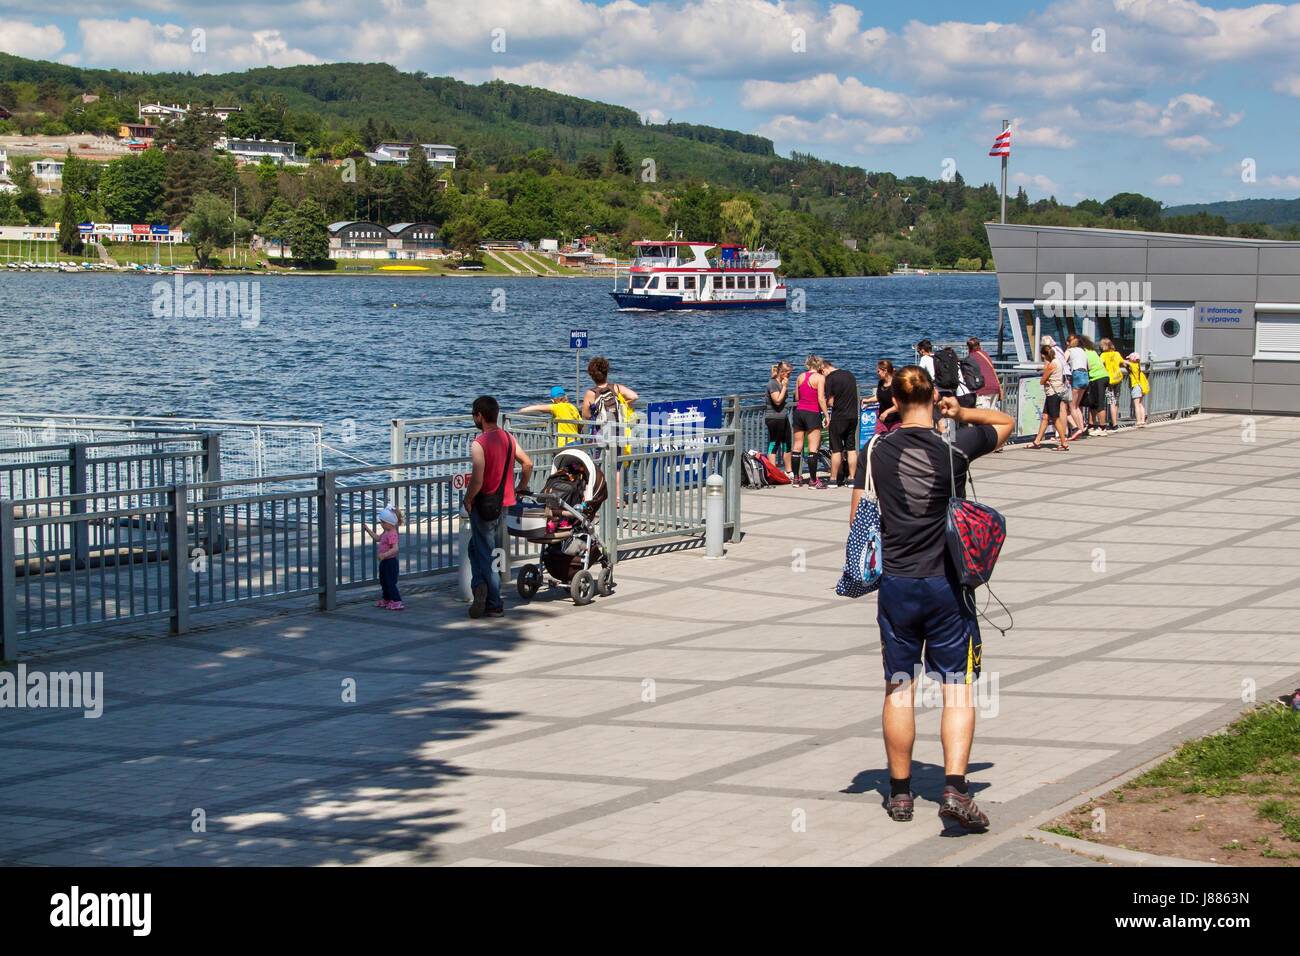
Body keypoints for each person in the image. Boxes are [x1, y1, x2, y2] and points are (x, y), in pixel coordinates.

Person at [850, 365, 1013, 830]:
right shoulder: (953, 448)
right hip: (947, 584)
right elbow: (1004, 423)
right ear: (934, 397)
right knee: (957, 690)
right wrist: (961, 410)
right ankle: (955, 787)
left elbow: (857, 520)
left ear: (894, 403)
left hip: (897, 586)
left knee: (899, 687)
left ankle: (899, 795)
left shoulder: (875, 448)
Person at [465, 395, 533, 619]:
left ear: (480, 416)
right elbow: (528, 463)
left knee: (485, 554)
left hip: (483, 505)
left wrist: (467, 499)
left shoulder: (479, 443)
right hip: (503, 505)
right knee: (477, 549)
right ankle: (479, 587)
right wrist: (521, 487)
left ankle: (493, 602)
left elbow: (477, 479)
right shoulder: (508, 438)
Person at [581, 356, 639, 450]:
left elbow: (586, 415)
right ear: (606, 373)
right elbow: (634, 396)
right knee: (617, 459)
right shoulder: (616, 387)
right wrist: (623, 404)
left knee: (600, 460)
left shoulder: (591, 393)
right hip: (618, 433)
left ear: (591, 376)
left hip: (601, 434)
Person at [822, 358, 860, 487]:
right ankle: (851, 478)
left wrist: (825, 405)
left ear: (824, 369)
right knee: (851, 449)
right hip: (853, 416)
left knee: (836, 449)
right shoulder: (850, 375)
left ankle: (833, 479)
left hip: (839, 417)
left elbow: (830, 401)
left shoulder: (830, 379)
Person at [791, 354, 828, 489]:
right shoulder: (820, 378)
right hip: (812, 413)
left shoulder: (800, 377)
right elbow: (821, 399)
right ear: (819, 365)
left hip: (799, 412)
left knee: (797, 446)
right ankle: (813, 481)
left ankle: (796, 479)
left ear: (808, 364)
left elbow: (797, 396)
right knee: (813, 448)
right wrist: (826, 415)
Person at [1031, 344, 1070, 452]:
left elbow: (1042, 380)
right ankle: (1037, 441)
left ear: (1044, 355)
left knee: (1055, 418)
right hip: (1056, 392)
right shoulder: (1058, 362)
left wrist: (1046, 379)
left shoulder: (1052, 365)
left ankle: (1064, 442)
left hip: (1053, 393)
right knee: (1045, 417)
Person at [364, 505, 404, 610]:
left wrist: (384, 555)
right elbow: (377, 538)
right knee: (384, 581)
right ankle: (387, 599)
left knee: (390, 582)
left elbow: (395, 549)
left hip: (390, 562)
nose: (381, 524)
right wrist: (368, 530)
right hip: (384, 561)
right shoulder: (386, 532)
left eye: (383, 522)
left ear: (390, 523)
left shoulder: (392, 534)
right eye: (381, 522)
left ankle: (397, 600)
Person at [765, 361, 794, 476]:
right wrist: (785, 387)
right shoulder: (772, 383)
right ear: (781, 372)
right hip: (774, 418)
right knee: (774, 444)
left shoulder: (781, 383)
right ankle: (772, 471)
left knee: (787, 444)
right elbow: (777, 401)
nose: (789, 376)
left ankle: (789, 471)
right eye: (788, 373)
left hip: (783, 417)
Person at [1081, 335, 1109, 436]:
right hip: (1100, 376)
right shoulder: (1092, 351)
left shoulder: (1084, 353)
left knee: (1099, 403)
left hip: (1098, 377)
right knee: (1092, 403)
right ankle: (1091, 425)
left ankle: (1102, 427)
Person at [966, 338, 1003, 410]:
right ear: (979, 345)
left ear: (968, 347)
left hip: (983, 390)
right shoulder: (985, 354)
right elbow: (992, 370)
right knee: (992, 416)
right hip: (995, 388)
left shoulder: (970, 358)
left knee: (983, 417)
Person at [1065, 333, 1089, 440]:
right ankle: (1082, 428)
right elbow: (1088, 365)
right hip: (1085, 375)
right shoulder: (1083, 351)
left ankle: (1078, 429)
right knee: (1077, 405)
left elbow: (1062, 362)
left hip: (1077, 374)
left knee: (1072, 406)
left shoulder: (1070, 351)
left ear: (1068, 343)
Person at [1099, 338, 1125, 433]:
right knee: (1116, 401)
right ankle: (1115, 422)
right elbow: (1123, 362)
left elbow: (1100, 365)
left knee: (1111, 402)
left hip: (1109, 381)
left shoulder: (1103, 355)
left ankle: (1113, 423)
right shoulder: (1117, 354)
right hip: (1118, 379)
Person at [874, 360, 898, 435]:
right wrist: (866, 400)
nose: (877, 374)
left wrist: (886, 412)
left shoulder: (896, 384)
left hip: (895, 420)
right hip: (882, 420)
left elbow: (898, 405)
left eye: (878, 371)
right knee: (877, 440)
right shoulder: (881, 383)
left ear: (885, 371)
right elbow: (879, 397)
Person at [1125, 352, 1149, 427]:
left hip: (1136, 387)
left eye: (1129, 358)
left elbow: (1123, 362)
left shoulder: (1133, 365)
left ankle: (1138, 421)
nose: (1128, 360)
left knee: (1136, 405)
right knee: (1141, 404)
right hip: (1141, 386)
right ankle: (1142, 421)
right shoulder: (1137, 366)